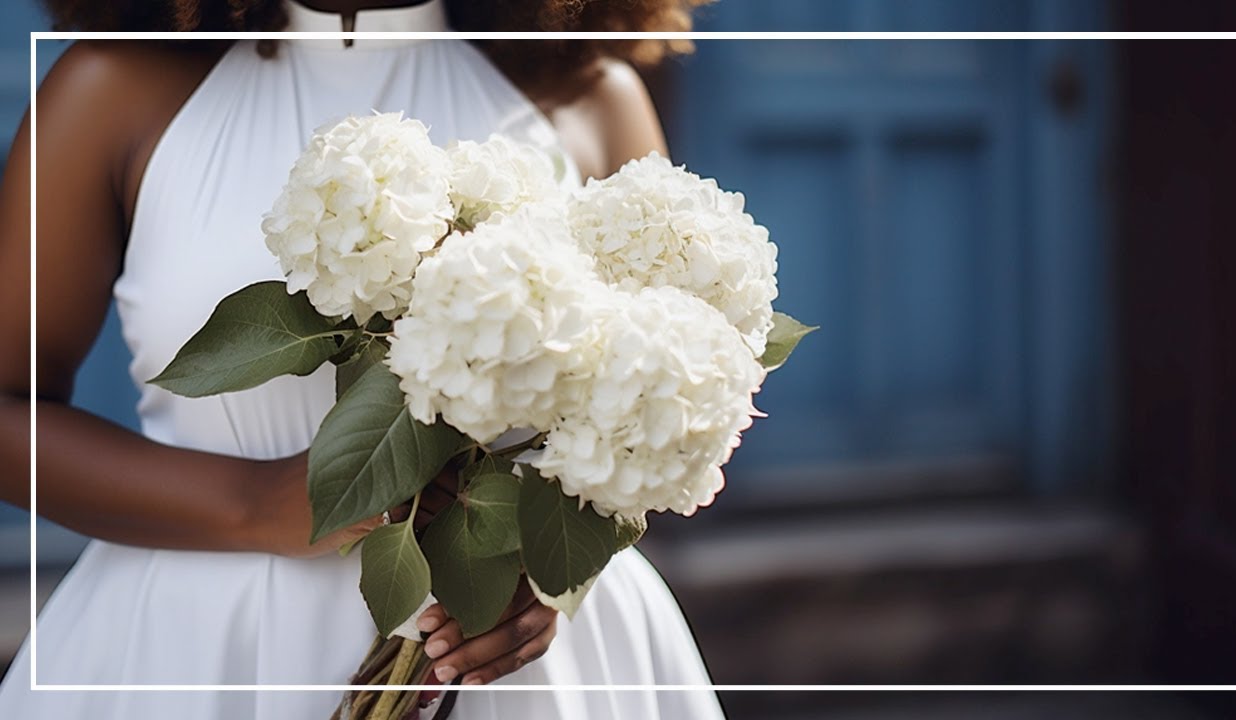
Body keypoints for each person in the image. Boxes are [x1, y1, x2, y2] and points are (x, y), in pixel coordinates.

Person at [0, 1, 725, 717]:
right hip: (196, 644)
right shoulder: (112, 90)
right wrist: (256, 504)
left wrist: (557, 572)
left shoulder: (589, 96)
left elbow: (659, 402)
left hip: (533, 668)